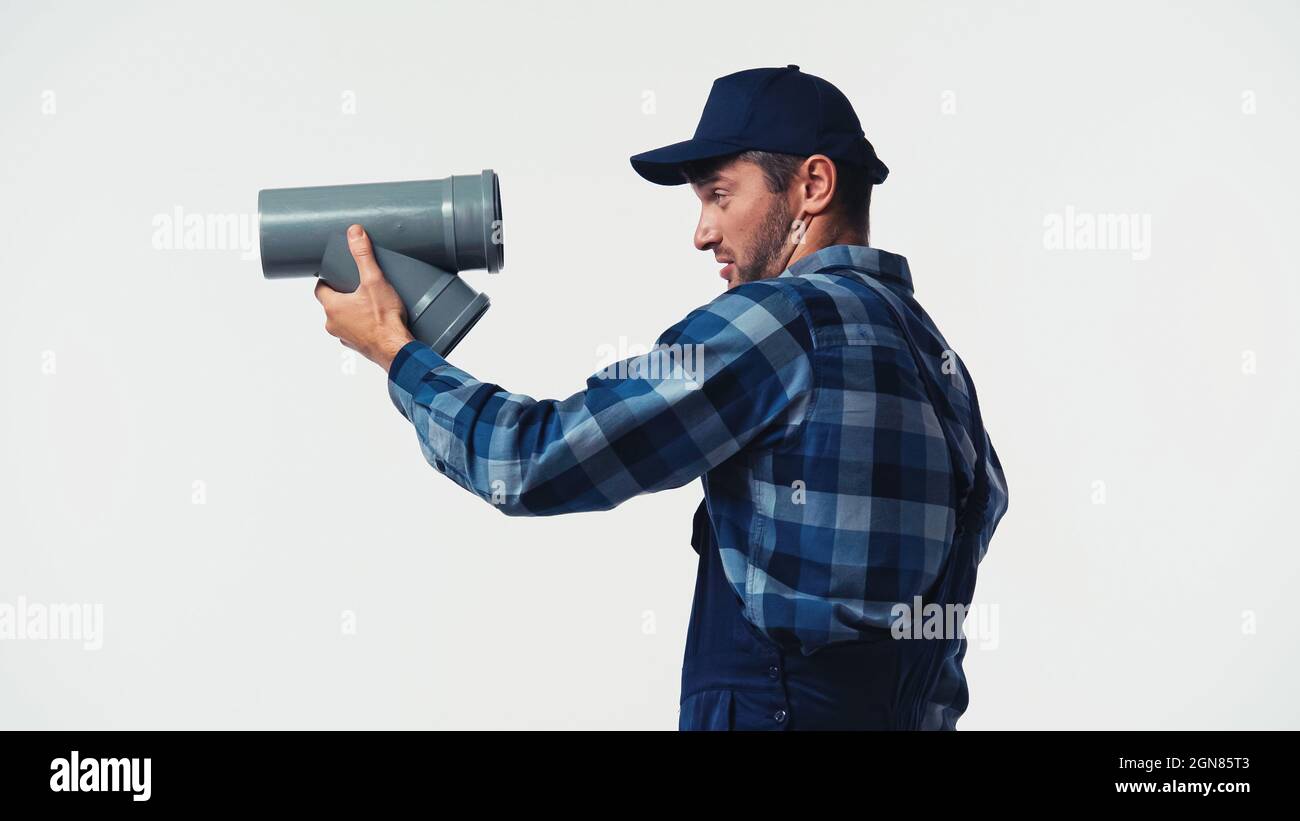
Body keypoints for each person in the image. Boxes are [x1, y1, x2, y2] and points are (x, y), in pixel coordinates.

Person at [314, 65, 1009, 730]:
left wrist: (399, 355)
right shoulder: (940, 364)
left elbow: (528, 459)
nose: (703, 232)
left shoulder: (779, 323)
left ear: (813, 185)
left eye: (719, 195)